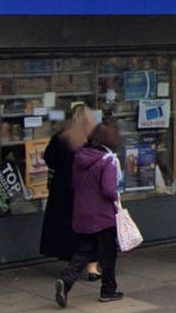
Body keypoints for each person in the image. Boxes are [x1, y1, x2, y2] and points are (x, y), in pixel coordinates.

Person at [54, 122, 123, 307]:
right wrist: (116, 197)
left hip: (83, 213)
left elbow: (75, 184)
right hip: (103, 215)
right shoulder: (108, 160)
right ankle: (108, 290)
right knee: (108, 253)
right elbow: (108, 190)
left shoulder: (80, 158)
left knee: (85, 250)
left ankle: (66, 281)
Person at [39, 103, 94, 269]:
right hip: (86, 187)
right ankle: (92, 267)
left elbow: (50, 159)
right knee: (90, 226)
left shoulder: (61, 137)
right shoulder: (91, 139)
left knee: (68, 226)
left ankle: (72, 262)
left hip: (63, 188)